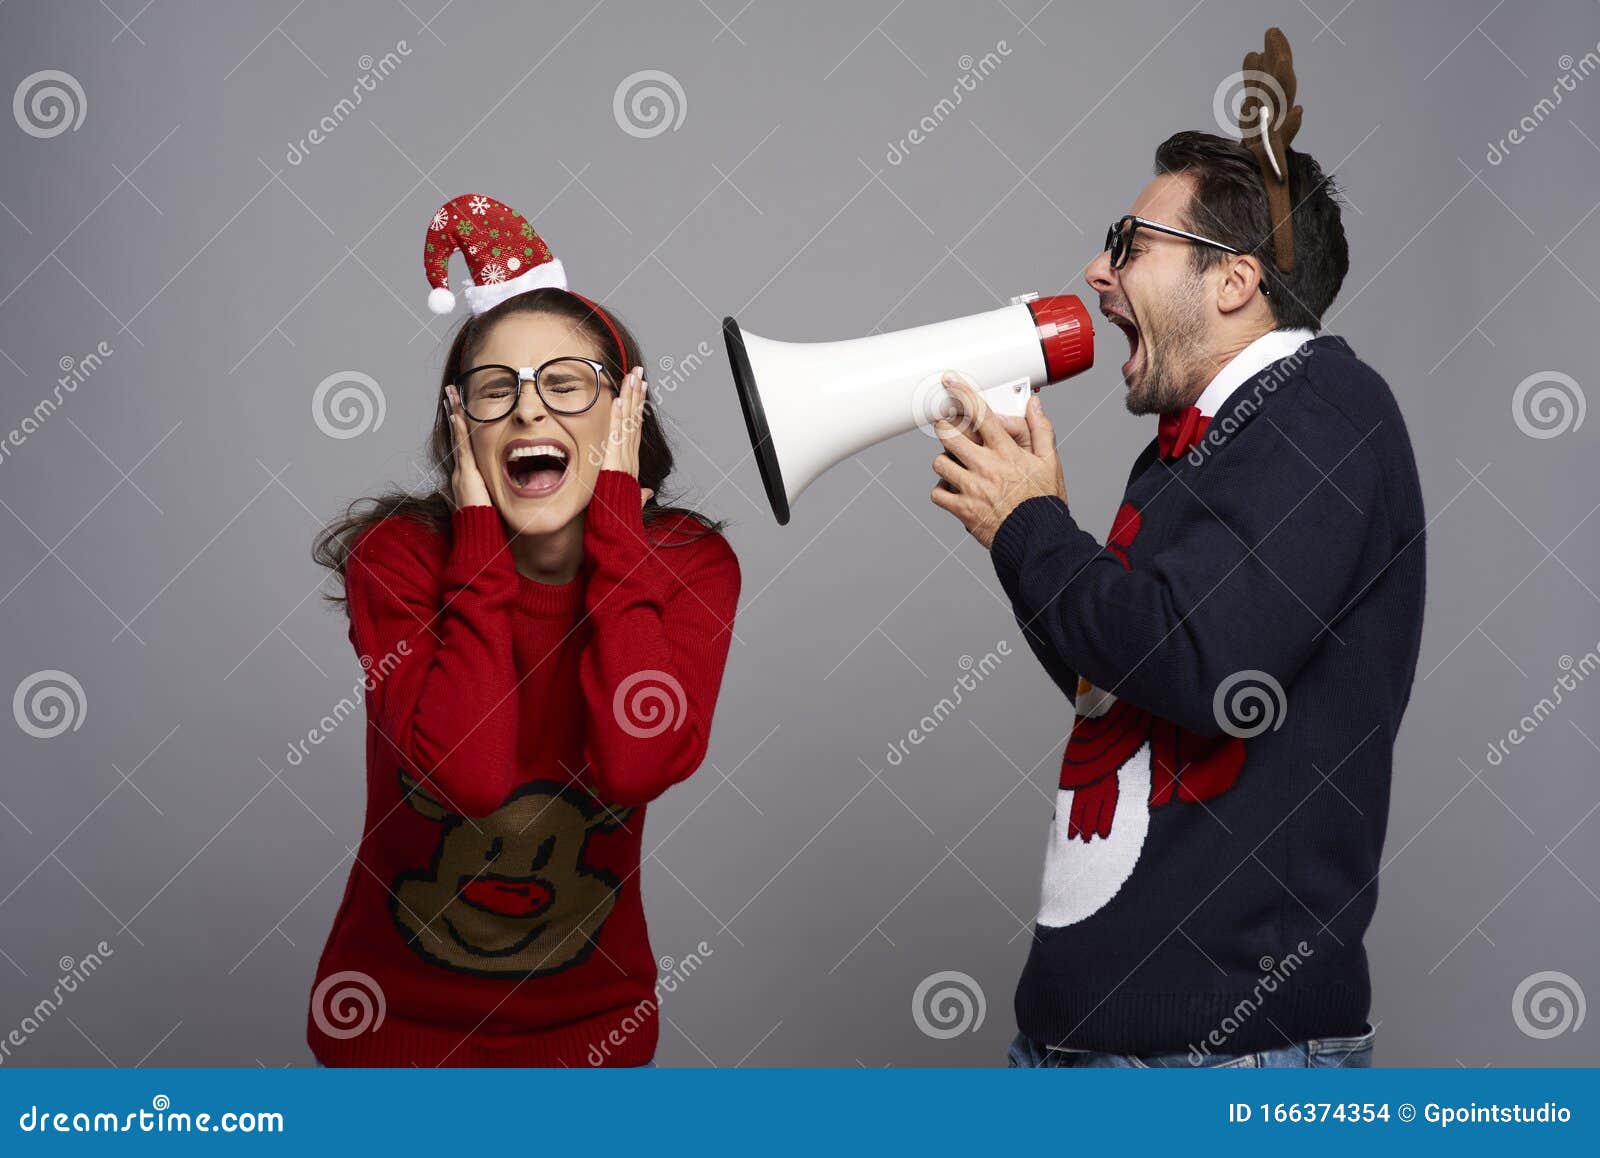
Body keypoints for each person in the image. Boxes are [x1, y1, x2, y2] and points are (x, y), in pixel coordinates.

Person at [928, 38, 1425, 1069]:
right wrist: (1022, 525)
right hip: (1089, 1044)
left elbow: (1210, 668)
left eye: (1129, 242)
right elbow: (1120, 688)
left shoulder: (1323, 410)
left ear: (1234, 279)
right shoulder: (1191, 449)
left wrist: (1032, 527)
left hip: (1215, 1059)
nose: (1095, 271)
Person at [306, 194, 739, 1067]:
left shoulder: (688, 565)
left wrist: (616, 535)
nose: (529, 412)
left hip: (592, 1041)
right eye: (495, 389)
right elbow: (467, 777)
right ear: (458, 423)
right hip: (386, 1037)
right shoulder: (398, 558)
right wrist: (477, 542)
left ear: (626, 412)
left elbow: (636, 763)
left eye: (566, 384)